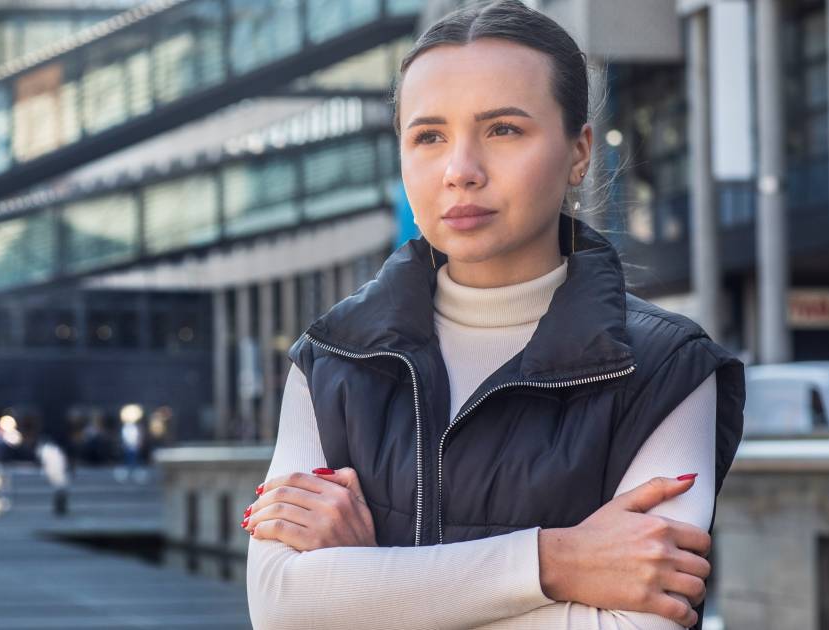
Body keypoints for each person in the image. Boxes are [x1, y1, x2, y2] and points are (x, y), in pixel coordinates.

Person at [243, 3, 745, 630]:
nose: (461, 171)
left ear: (579, 152)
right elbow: (280, 607)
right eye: (429, 137)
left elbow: (638, 625)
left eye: (504, 129)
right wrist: (554, 562)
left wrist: (368, 581)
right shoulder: (334, 357)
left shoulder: (665, 368)